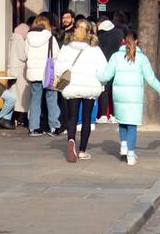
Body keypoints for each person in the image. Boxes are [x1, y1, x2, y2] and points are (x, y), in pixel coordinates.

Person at [97, 30, 160, 165]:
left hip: (119, 93)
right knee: (132, 124)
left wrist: (95, 74)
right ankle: (131, 154)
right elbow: (150, 78)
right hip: (134, 95)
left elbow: (106, 76)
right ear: (136, 41)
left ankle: (123, 145)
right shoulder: (142, 58)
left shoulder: (115, 56)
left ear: (123, 41)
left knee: (122, 121)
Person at [56, 20, 104, 162]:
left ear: (75, 30)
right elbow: (103, 68)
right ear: (89, 31)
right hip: (90, 85)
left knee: (72, 117)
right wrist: (102, 82)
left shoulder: (66, 47)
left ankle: (71, 140)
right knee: (87, 118)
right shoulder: (95, 49)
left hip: (72, 85)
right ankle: (83, 150)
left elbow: (58, 66)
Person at [25, 14, 61, 136]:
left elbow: (26, 54)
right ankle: (54, 127)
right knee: (51, 99)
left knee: (35, 99)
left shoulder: (28, 38)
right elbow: (56, 55)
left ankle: (33, 127)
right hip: (48, 73)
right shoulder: (50, 37)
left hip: (34, 73)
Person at [95, 12, 126, 122]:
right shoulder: (119, 33)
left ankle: (104, 114)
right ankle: (114, 114)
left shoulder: (99, 35)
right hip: (117, 63)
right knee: (115, 90)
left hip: (103, 64)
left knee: (104, 89)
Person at [0, 22, 30, 129]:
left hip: (12, 70)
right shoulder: (19, 40)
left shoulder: (12, 38)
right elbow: (23, 56)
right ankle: (18, 118)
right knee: (21, 97)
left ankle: (9, 118)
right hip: (19, 71)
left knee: (13, 93)